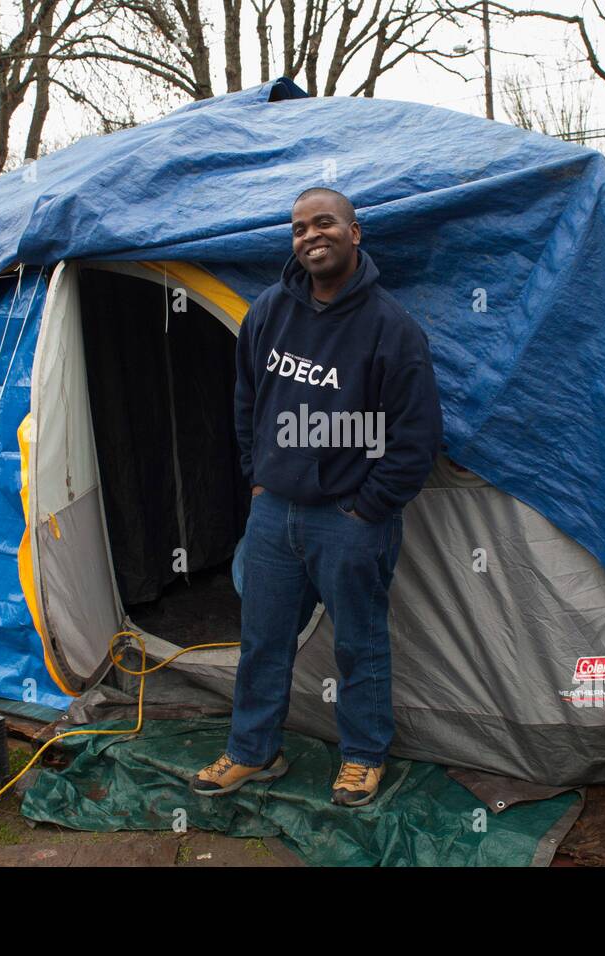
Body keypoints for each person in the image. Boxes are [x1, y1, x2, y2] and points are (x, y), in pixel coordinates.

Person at [191, 186, 443, 807]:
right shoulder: (269, 312)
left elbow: (417, 435)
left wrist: (369, 507)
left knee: (359, 642)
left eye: (324, 223)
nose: (311, 236)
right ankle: (254, 751)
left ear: (355, 233)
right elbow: (247, 400)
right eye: (300, 228)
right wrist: (257, 478)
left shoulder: (391, 327)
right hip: (275, 512)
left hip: (350, 519)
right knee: (263, 641)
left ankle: (362, 757)